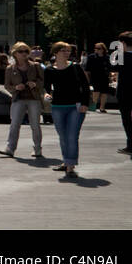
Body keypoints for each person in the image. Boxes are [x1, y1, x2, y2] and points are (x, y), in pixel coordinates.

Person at [44, 41, 90, 177]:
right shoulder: (49, 70)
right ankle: (66, 161)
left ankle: (70, 165)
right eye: (63, 50)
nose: (66, 53)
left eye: (68, 51)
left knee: (72, 136)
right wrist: (46, 94)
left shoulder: (75, 67)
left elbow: (85, 86)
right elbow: (46, 87)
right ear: (55, 52)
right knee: (63, 136)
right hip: (57, 106)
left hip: (75, 107)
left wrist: (84, 103)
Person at [0, 42, 44, 159]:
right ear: (15, 54)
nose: (24, 54)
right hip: (18, 98)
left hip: (33, 98)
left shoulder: (35, 66)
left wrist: (35, 84)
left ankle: (37, 149)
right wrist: (15, 88)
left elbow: (42, 82)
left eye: (26, 51)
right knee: (14, 124)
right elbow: (7, 85)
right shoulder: (10, 68)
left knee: (35, 124)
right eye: (21, 51)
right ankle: (10, 148)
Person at [84, 41, 111, 112]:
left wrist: (111, 76)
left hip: (105, 76)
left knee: (104, 92)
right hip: (95, 76)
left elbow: (110, 68)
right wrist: (87, 79)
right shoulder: (91, 57)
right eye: (96, 48)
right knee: (96, 91)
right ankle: (94, 106)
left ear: (103, 49)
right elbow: (87, 69)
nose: (96, 50)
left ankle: (102, 107)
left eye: (98, 48)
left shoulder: (107, 57)